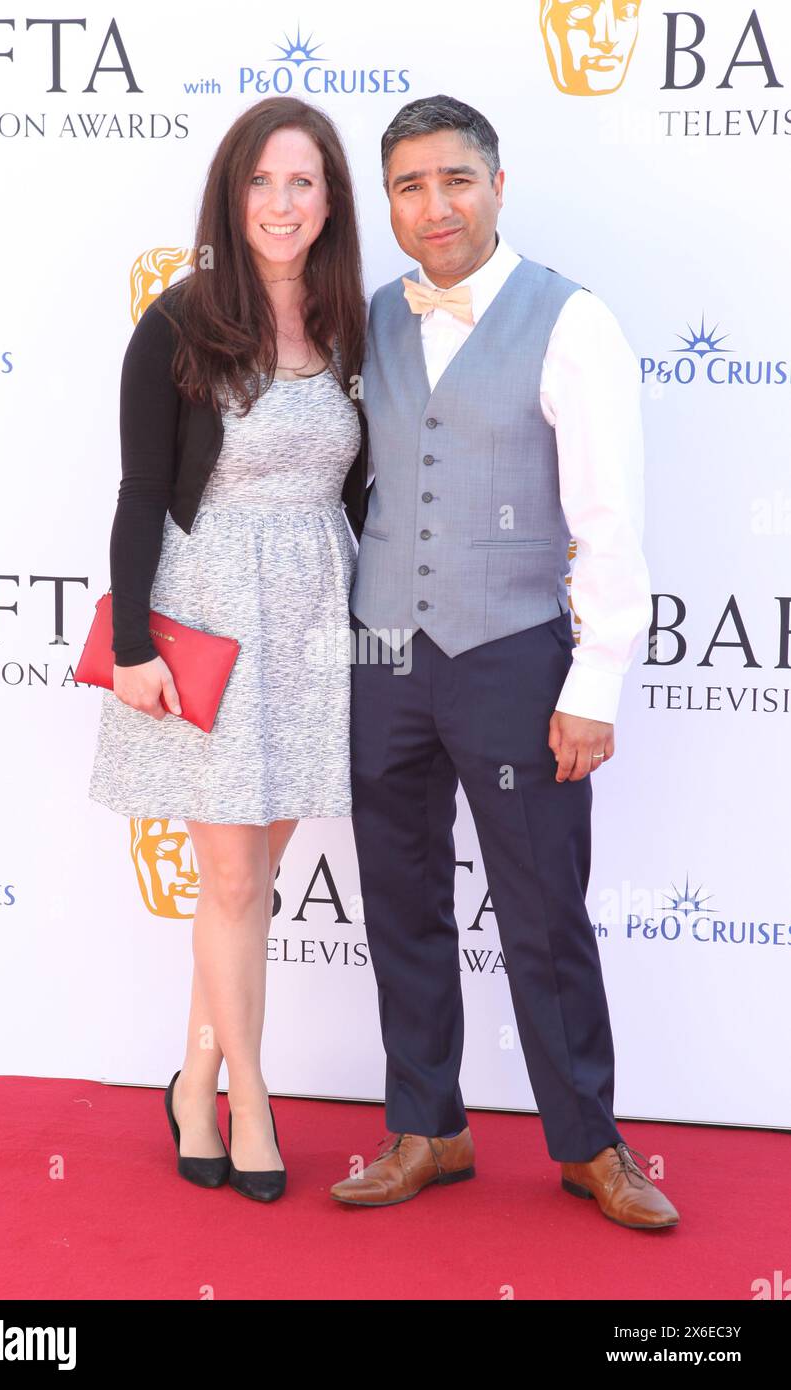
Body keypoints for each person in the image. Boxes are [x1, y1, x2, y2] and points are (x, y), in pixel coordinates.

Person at [329, 94, 679, 1230]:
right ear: (386, 203)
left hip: (514, 652)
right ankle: (425, 1123)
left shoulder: (569, 321)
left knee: (540, 910)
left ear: (494, 182)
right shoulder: (368, 318)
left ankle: (588, 1142)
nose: (434, 206)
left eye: (454, 180)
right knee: (398, 898)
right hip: (383, 648)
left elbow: (606, 520)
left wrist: (592, 684)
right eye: (408, 187)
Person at [87, 95, 367, 1204]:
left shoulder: (352, 324)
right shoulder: (177, 323)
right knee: (235, 877)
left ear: (328, 198)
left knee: (253, 879)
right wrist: (134, 643)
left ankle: (193, 1072)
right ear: (230, 194)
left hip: (314, 621)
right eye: (261, 181)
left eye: (302, 181)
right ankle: (250, 1101)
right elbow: (140, 491)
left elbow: (367, 486)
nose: (281, 202)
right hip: (205, 617)